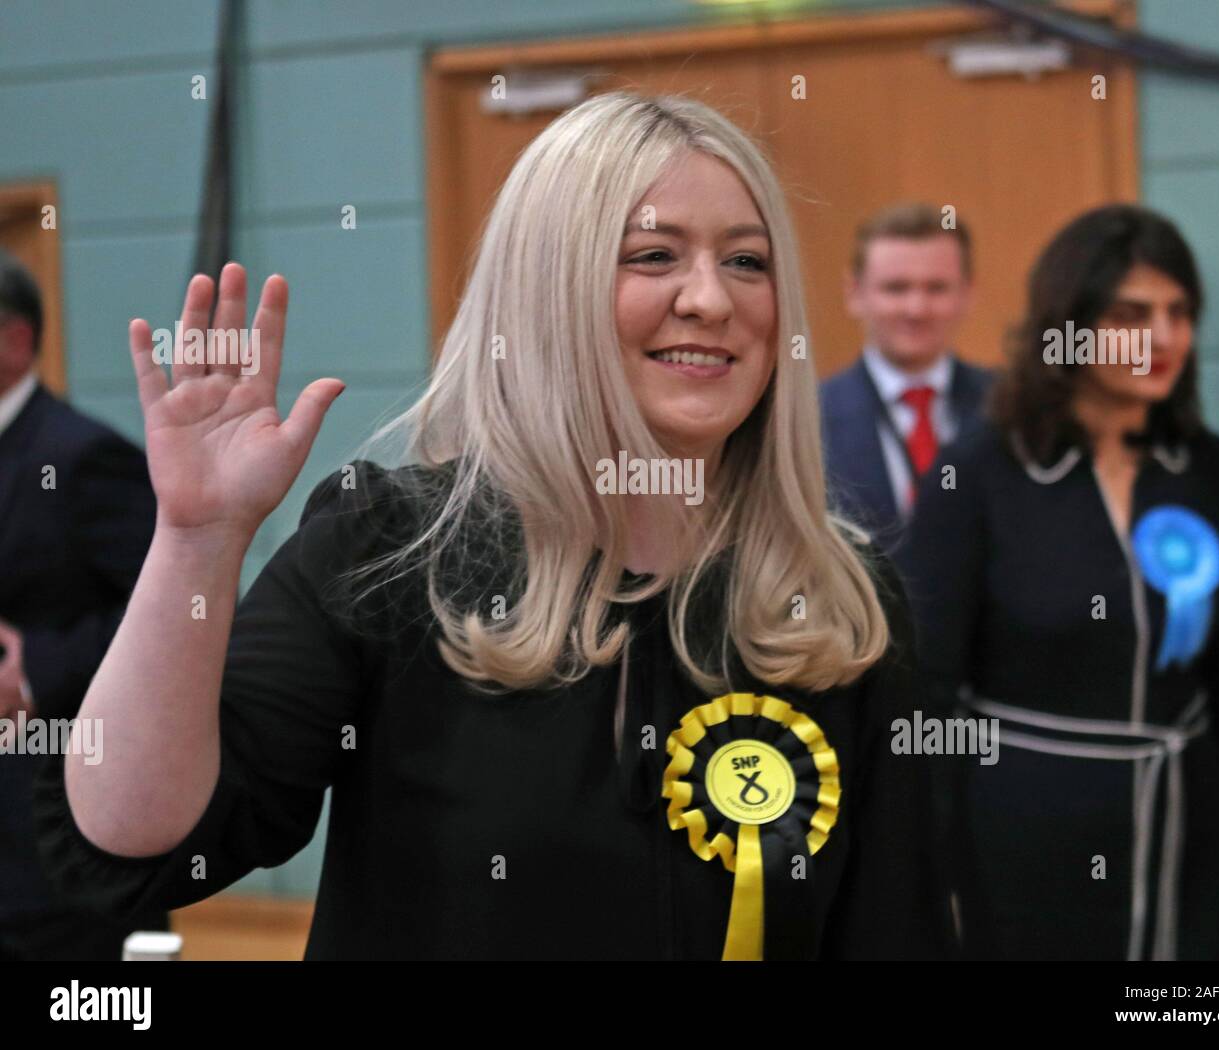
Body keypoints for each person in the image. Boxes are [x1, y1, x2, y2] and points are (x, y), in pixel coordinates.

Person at [32, 93, 955, 960]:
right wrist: (196, 540)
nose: (712, 299)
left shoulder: (837, 600)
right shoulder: (391, 546)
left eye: (746, 261)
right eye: (654, 255)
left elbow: (895, 931)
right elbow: (138, 837)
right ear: (545, 291)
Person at [901, 203, 1219, 959]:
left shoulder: (1205, 467)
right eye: (1131, 313)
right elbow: (925, 692)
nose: (1164, 337)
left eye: (1180, 313)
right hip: (1025, 843)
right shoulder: (978, 472)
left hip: (1194, 837)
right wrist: (927, 870)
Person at [0, 249, 166, 960]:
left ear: (15, 339)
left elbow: (165, 621)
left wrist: (32, 667)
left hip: (54, 834)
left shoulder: (84, 457)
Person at [820, 203, 993, 549]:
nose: (916, 309)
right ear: (855, 293)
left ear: (967, 294)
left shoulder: (1011, 408)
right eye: (896, 288)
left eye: (936, 288)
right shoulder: (807, 418)